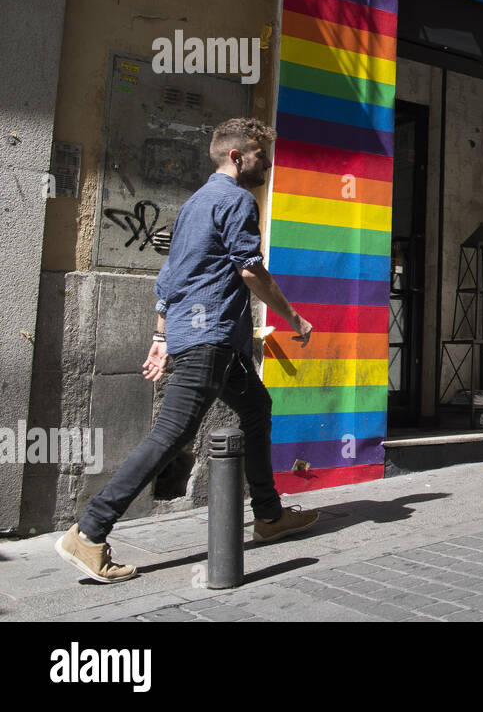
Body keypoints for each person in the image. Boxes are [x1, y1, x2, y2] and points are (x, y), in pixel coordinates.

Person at [56, 117, 318, 582]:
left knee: (256, 407)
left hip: (208, 337)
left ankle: (270, 516)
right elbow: (250, 270)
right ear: (238, 156)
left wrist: (161, 336)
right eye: (262, 154)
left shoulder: (196, 203)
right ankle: (89, 532)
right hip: (210, 335)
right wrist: (292, 316)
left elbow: (171, 276)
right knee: (172, 433)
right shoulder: (237, 200)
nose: (269, 163)